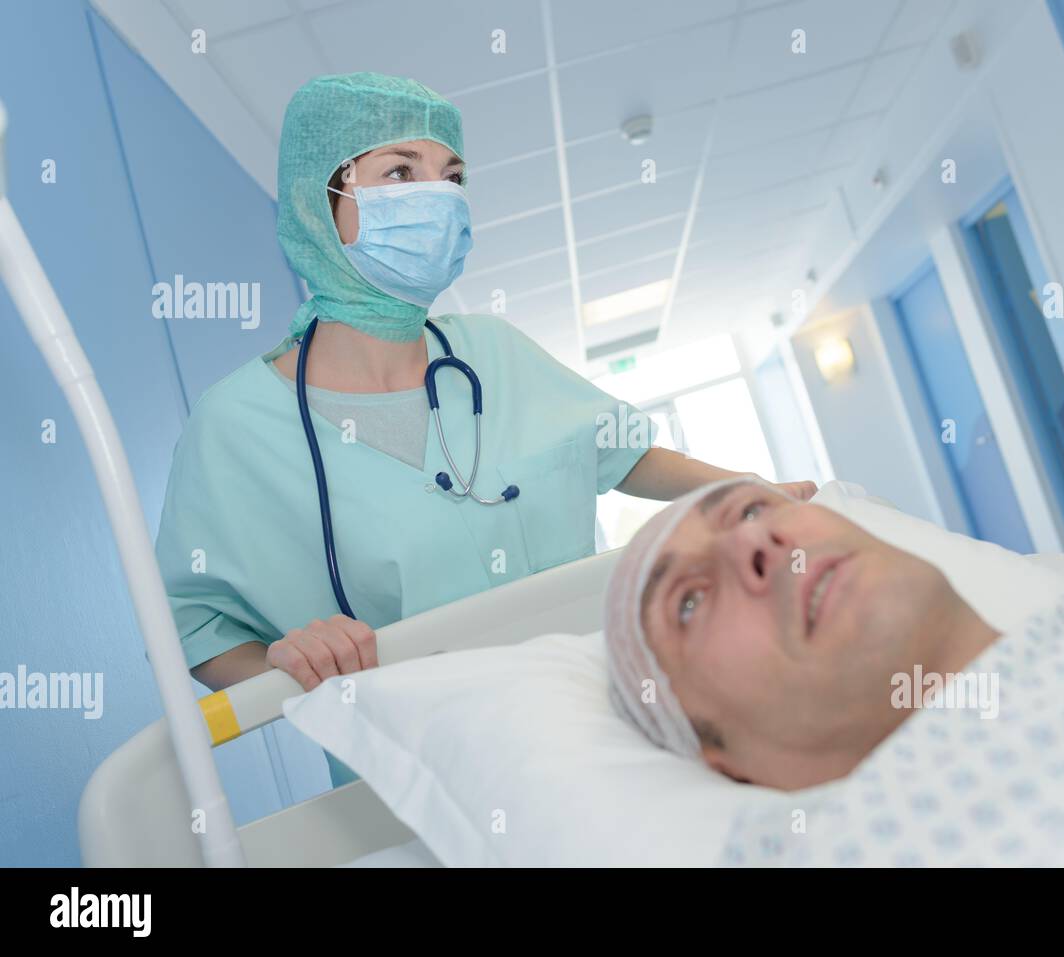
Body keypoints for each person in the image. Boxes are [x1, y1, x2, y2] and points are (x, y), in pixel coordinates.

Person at [156, 73, 814, 786]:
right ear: (320, 202)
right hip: (424, 779)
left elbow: (623, 452)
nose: (438, 199)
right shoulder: (236, 426)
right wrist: (282, 661)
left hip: (601, 728)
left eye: (452, 176)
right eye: (401, 171)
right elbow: (196, 624)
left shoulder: (491, 352)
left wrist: (747, 493)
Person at [605, 476, 1064, 865]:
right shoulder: (849, 846)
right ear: (721, 757)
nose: (756, 540)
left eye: (751, 508)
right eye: (688, 601)